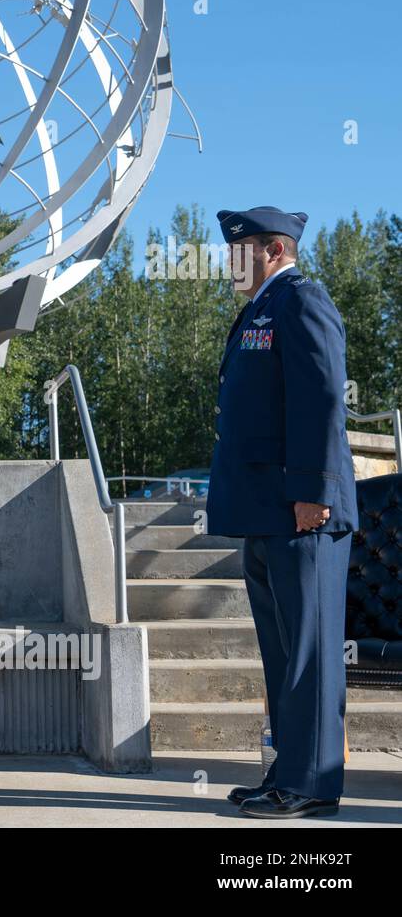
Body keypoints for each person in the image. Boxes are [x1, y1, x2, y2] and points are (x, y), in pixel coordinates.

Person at [206, 205, 358, 819]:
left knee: (311, 655)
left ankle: (313, 783)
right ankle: (287, 772)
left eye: (238, 250)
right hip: (266, 512)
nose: (228, 262)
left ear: (273, 250)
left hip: (303, 513)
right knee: (283, 652)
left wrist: (314, 492)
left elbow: (323, 396)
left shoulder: (300, 300)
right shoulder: (258, 310)